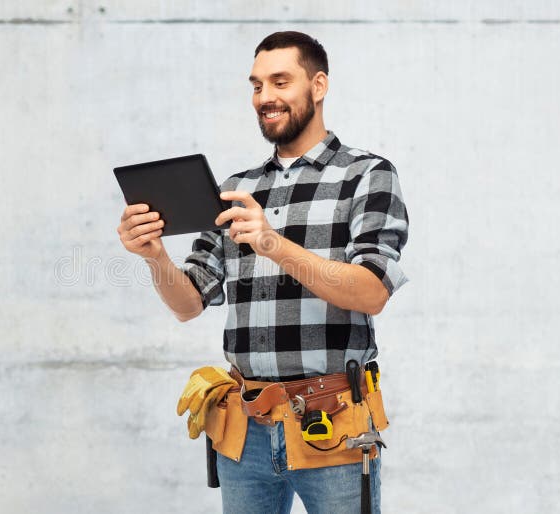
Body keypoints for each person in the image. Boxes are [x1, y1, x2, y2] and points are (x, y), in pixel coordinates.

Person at [117, 31, 408, 514]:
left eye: (280, 81)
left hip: (333, 424)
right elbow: (189, 303)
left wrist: (271, 242)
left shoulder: (367, 175)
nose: (265, 97)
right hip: (245, 428)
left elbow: (372, 292)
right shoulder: (236, 190)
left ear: (318, 85)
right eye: (256, 85)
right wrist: (154, 256)